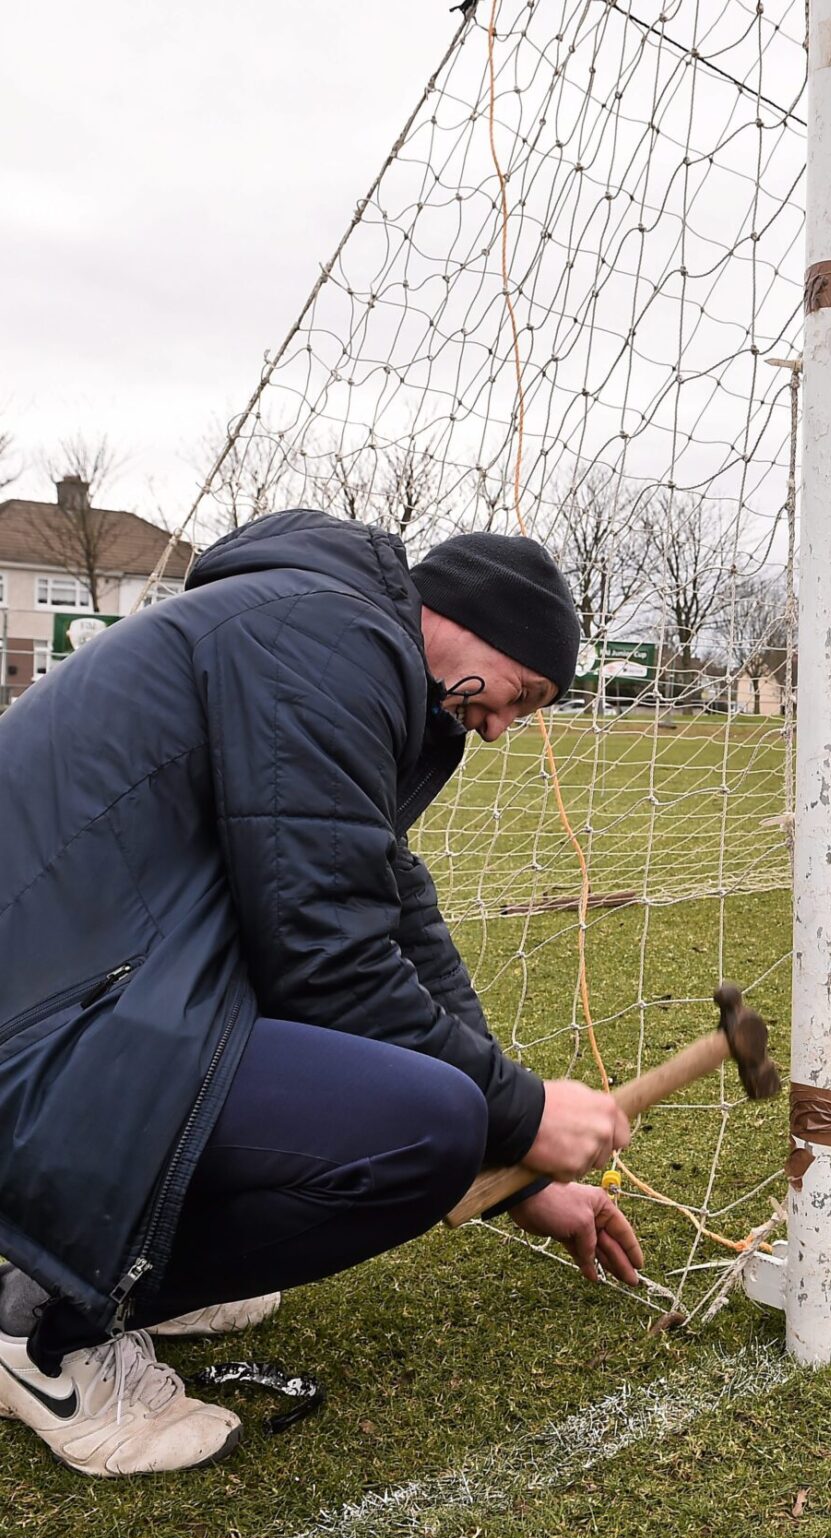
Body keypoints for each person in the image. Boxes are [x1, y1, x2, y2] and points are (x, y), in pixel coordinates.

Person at [0, 509, 643, 1477]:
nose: (506, 724)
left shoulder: (322, 632)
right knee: (418, 1128)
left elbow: (392, 911)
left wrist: (521, 1156)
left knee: (446, 1109)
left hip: (93, 1002)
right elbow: (328, 951)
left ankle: (129, 1265)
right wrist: (509, 1118)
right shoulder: (325, 636)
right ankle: (40, 1323)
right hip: (48, 1031)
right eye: (523, 691)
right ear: (469, 625)